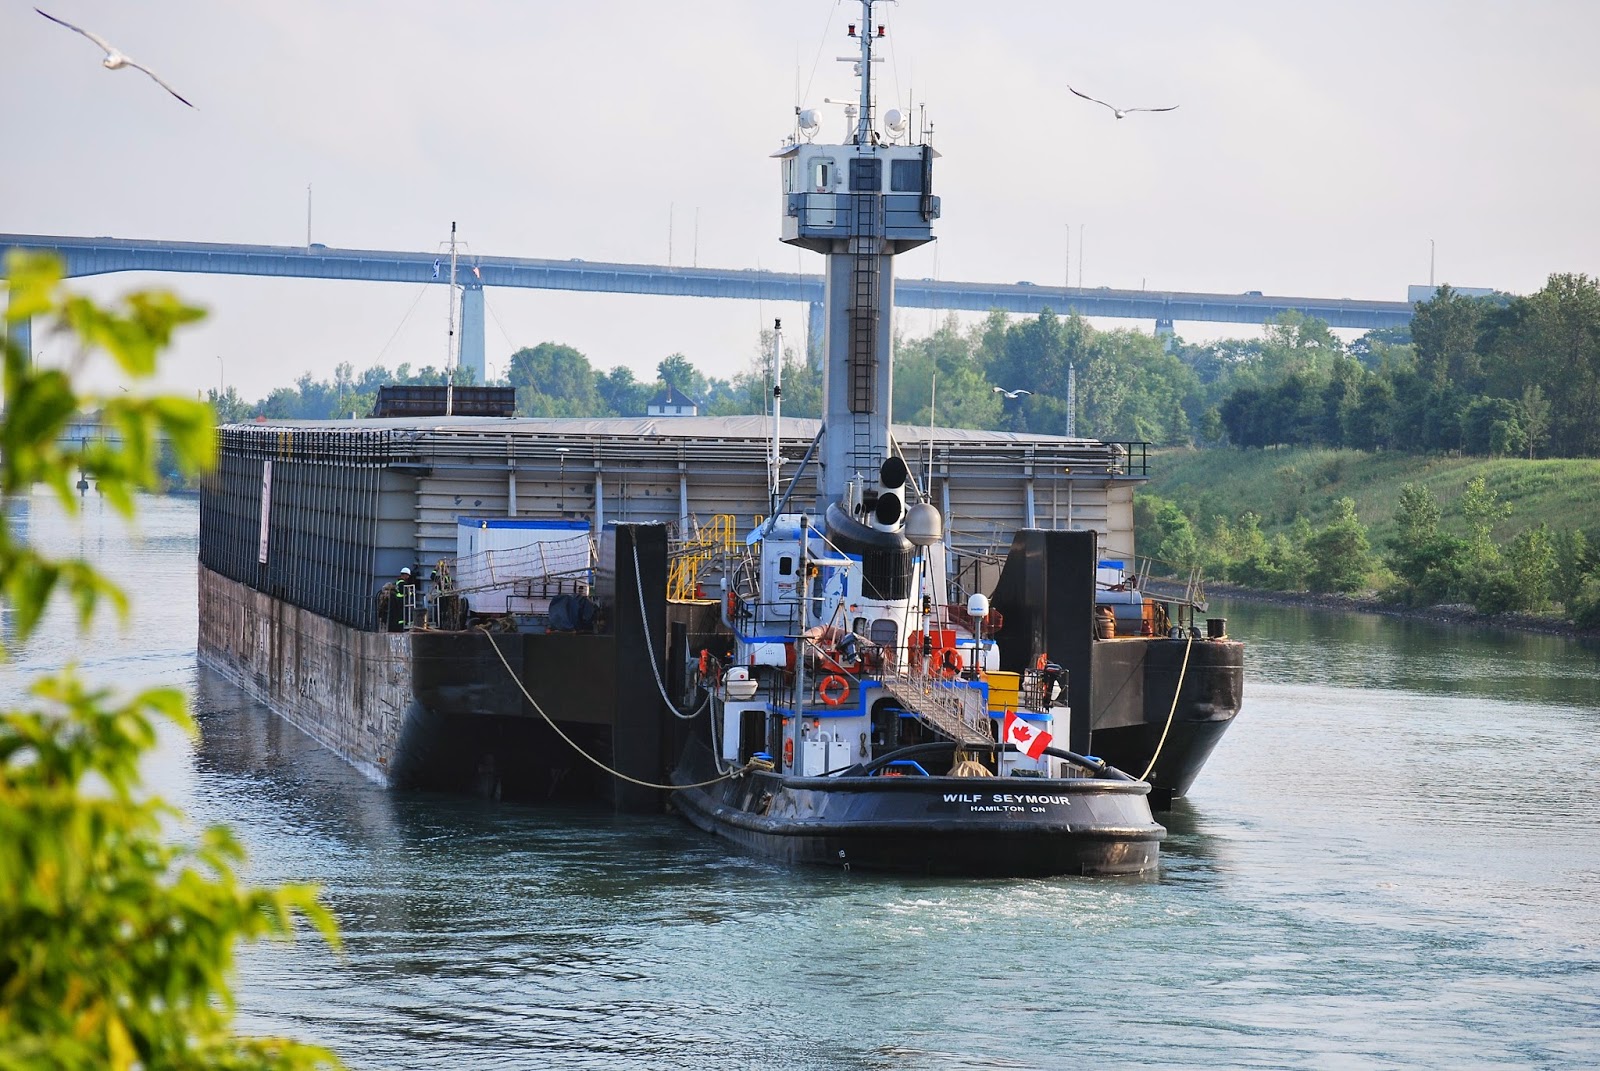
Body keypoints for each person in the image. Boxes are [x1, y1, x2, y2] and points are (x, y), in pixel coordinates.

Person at [386, 566, 414, 632]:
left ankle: (400, 627)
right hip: (402, 601)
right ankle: (403, 627)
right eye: (407, 575)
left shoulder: (397, 582)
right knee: (403, 615)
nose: (408, 577)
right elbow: (405, 592)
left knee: (400, 615)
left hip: (397, 601)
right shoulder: (402, 583)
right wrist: (411, 593)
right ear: (404, 575)